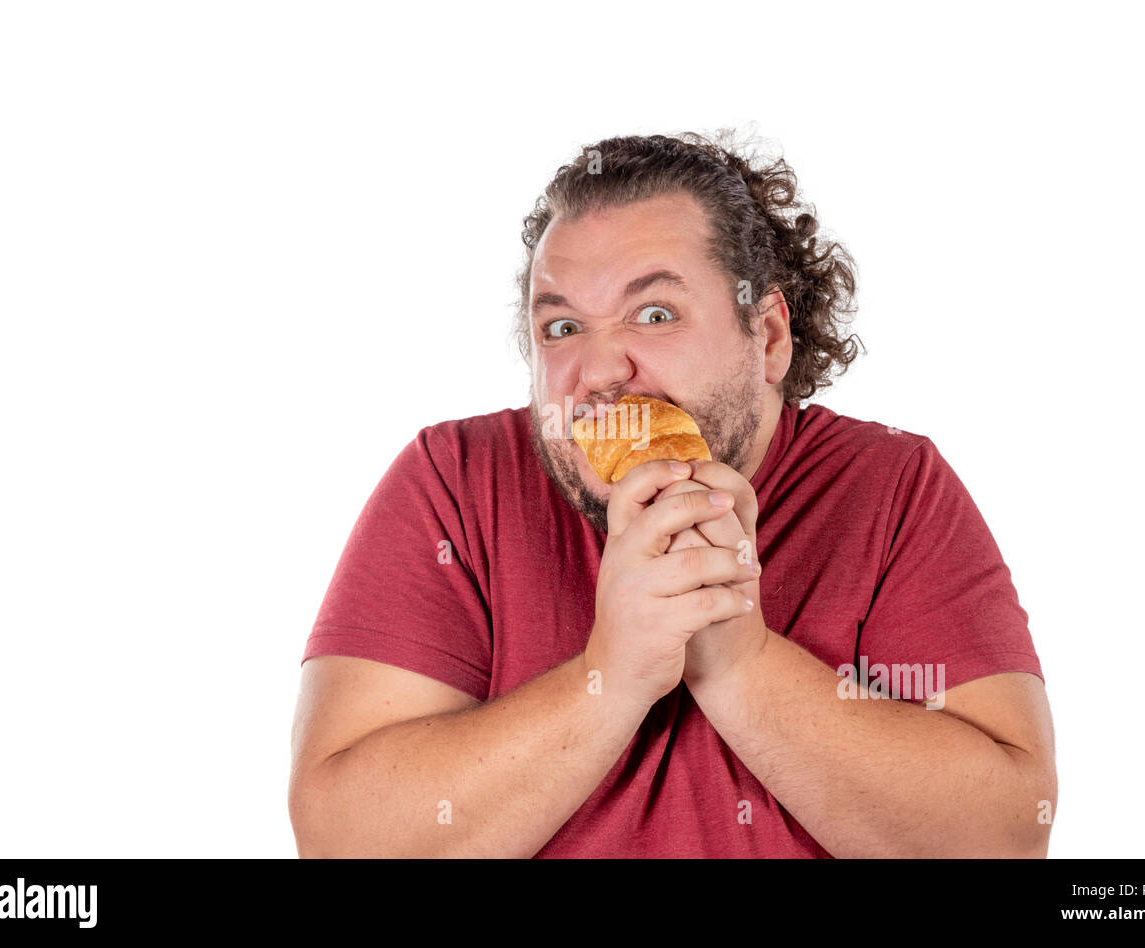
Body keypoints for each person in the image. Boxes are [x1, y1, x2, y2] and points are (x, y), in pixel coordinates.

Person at [288, 130, 1056, 858]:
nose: (598, 371)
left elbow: (1009, 833)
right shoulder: (452, 480)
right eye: (560, 328)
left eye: (653, 314)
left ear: (770, 335)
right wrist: (613, 676)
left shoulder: (891, 487)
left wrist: (738, 662)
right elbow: (340, 837)